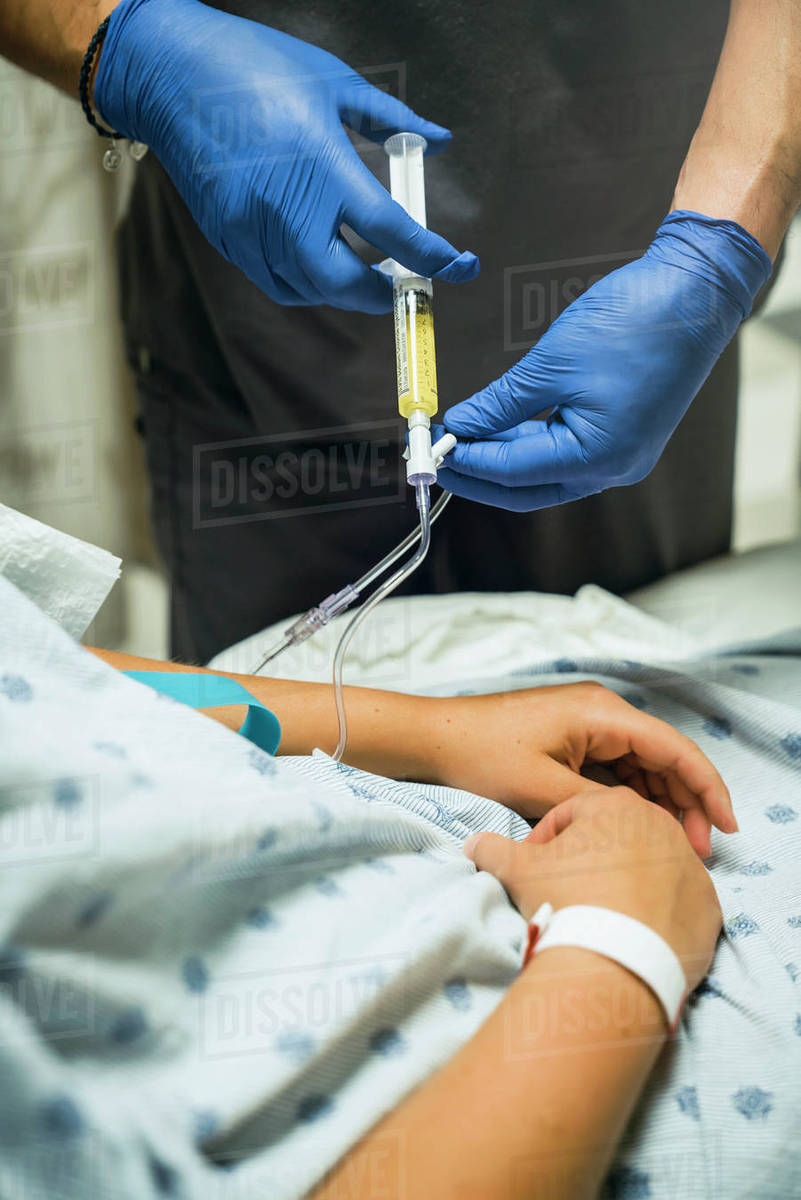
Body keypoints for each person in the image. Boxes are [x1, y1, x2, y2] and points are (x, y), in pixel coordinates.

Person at [2, 2, 799, 665]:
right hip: (267, 352)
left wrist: (718, 247)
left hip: (639, 284)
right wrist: (125, 44)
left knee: (630, 706)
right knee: (281, 721)